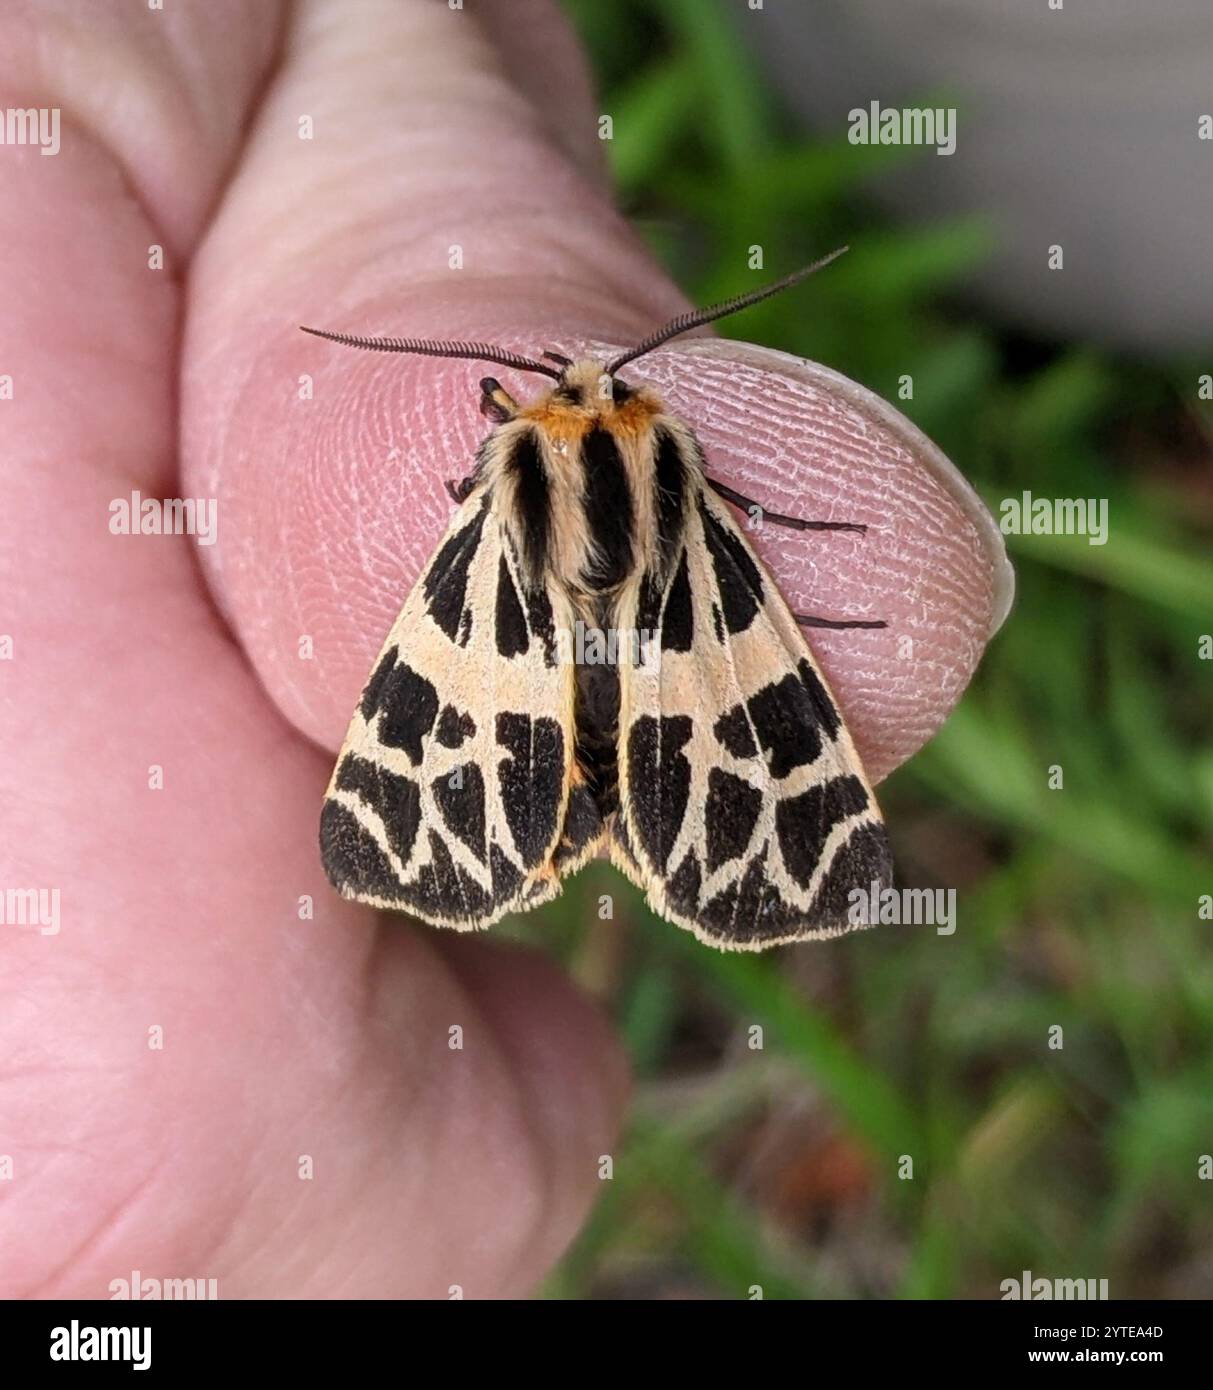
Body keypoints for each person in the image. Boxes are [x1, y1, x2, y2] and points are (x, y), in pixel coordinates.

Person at [0, 0, 1006, 1298]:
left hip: (490, 640)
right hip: (697, 643)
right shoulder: (664, 461)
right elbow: (737, 510)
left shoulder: (506, 473)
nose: (587, 394)